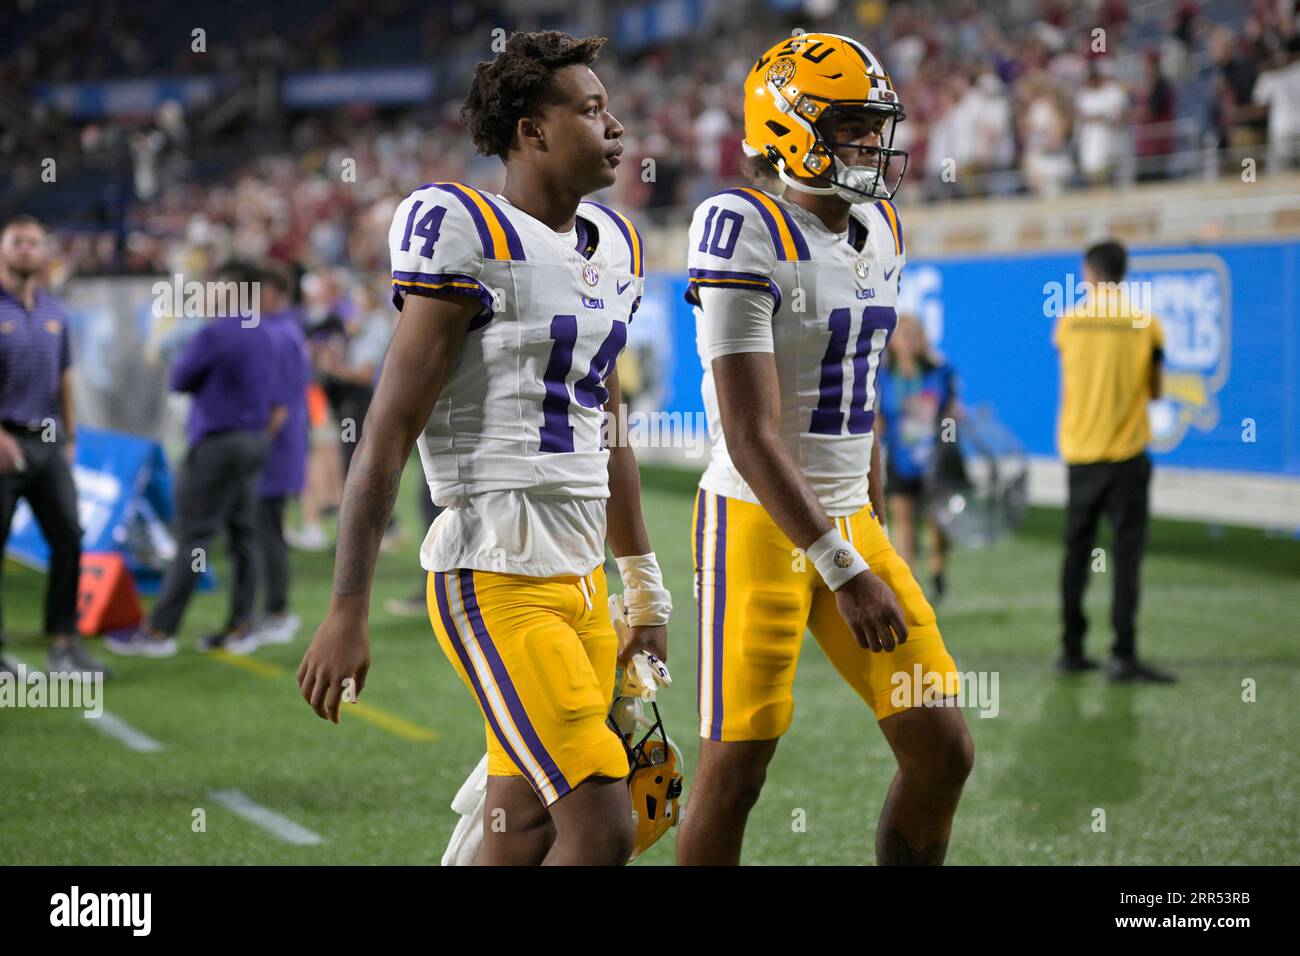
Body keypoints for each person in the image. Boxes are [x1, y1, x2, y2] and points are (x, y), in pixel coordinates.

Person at [297, 31, 670, 866]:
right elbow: (387, 431)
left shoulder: (615, 243)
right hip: (495, 571)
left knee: (523, 821)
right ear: (532, 131)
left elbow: (608, 423)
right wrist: (348, 607)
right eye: (591, 109)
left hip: (579, 577)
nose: (615, 127)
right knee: (605, 825)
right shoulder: (461, 227)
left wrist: (642, 585)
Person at [676, 33, 973, 867]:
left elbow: (863, 389)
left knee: (943, 747)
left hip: (849, 518)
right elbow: (749, 432)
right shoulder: (740, 225)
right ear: (787, 129)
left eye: (874, 129)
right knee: (734, 771)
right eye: (849, 129)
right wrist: (845, 569)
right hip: (755, 520)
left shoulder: (881, 227)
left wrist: (865, 519)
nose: (870, 148)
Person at [110, 261, 280, 656]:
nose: (209, 293)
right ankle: (242, 625)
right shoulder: (266, 331)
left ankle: (158, 632)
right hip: (253, 441)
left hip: (217, 442)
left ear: (232, 290)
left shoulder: (214, 331)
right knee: (244, 535)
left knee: (194, 536)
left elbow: (179, 379)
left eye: (217, 286)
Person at [1054, 240, 1174, 683]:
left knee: (1075, 555)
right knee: (1126, 556)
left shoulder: (1070, 322)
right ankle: (1123, 654)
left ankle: (1071, 649)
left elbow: (1069, 375)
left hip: (1080, 454)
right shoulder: (1146, 321)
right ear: (1124, 272)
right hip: (1127, 456)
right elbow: (1157, 390)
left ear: (1088, 271)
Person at [0, 215, 109, 677]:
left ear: (45, 254)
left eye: (35, 243)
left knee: (69, 539)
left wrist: (71, 434)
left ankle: (64, 645)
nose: (27, 249)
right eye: (17, 242)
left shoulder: (54, 311)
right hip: (3, 442)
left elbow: (65, 375)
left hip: (47, 444)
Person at [876, 313, 959, 601]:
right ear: (893, 342)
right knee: (903, 521)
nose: (909, 341)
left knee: (938, 522)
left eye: (914, 335)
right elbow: (879, 419)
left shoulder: (939, 371)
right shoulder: (884, 377)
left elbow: (951, 409)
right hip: (900, 459)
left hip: (934, 460)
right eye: (903, 335)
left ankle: (938, 574)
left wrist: (953, 422)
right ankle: (909, 585)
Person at [250, 264, 309, 645]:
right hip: (279, 445)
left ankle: (277, 610)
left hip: (275, 448)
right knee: (265, 528)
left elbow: (279, 403)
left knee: (268, 529)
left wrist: (257, 444)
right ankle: (272, 608)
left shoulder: (280, 333)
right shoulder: (283, 330)